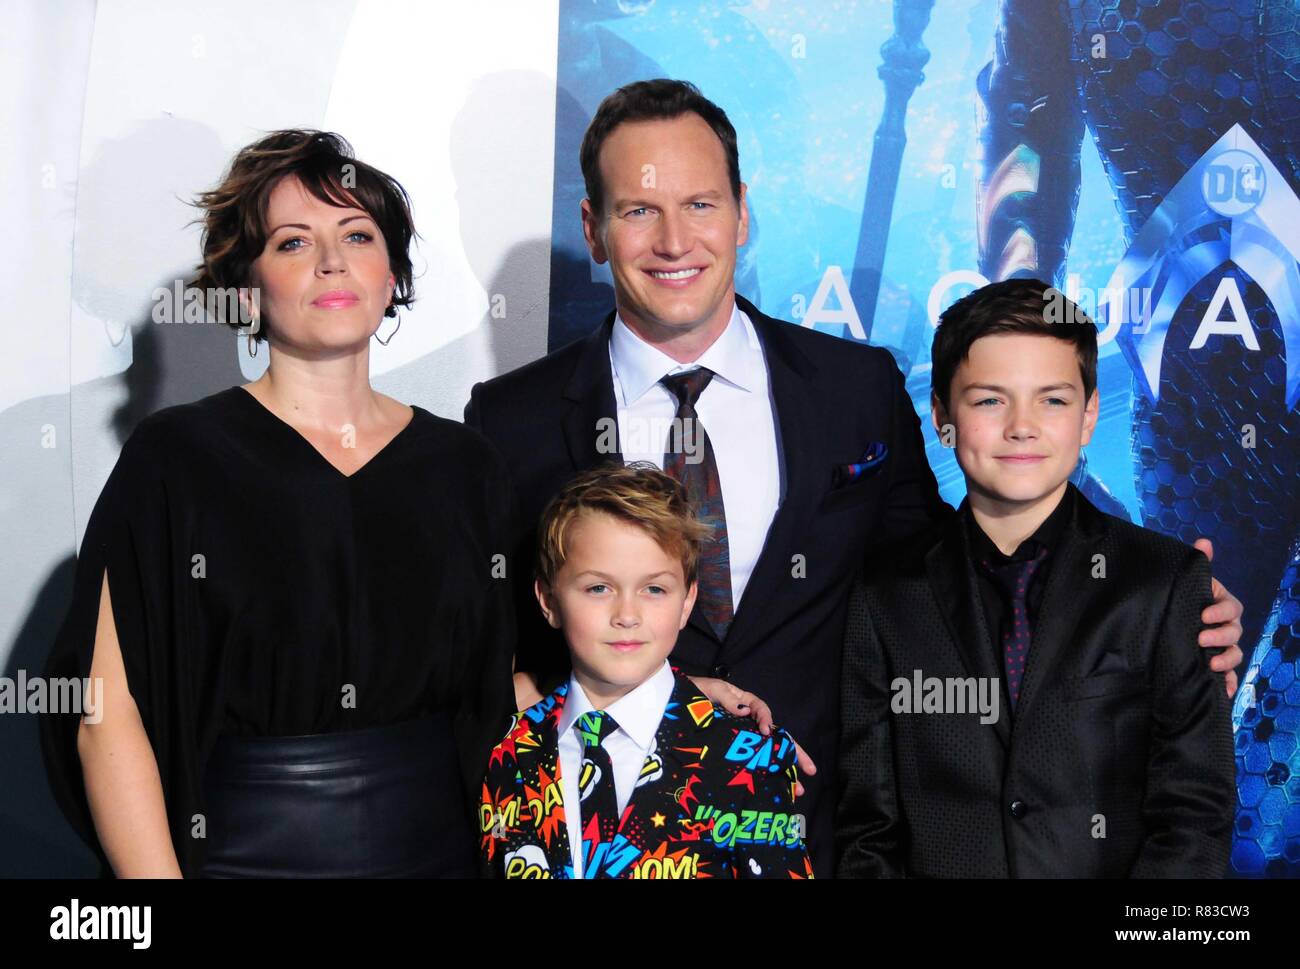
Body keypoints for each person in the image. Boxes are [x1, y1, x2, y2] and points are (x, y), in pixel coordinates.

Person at [463, 78, 1246, 876]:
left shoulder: (854, 388)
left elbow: (956, 568)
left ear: (742, 211)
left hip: (841, 844)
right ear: (592, 229)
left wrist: (1164, 609)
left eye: (700, 205)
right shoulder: (511, 422)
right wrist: (629, 688)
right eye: (639, 210)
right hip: (609, 844)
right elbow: (466, 650)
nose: (674, 241)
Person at [40, 130, 515, 878]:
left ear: (390, 275)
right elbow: (108, 716)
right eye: (293, 242)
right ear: (247, 286)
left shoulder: (466, 465)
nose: (332, 260)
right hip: (236, 859)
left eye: (357, 234)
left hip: (447, 853)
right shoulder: (176, 459)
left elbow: (511, 686)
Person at [836, 279, 1235, 877]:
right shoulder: (883, 595)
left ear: (1089, 414)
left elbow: (1194, 815)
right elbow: (868, 828)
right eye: (990, 400)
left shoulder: (1165, 581)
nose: (1022, 426)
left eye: (1052, 399)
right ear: (942, 415)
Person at [479, 462, 813, 879]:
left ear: (687, 602)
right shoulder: (508, 752)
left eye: (654, 589)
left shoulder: (750, 759)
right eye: (598, 588)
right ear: (548, 600)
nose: (626, 615)